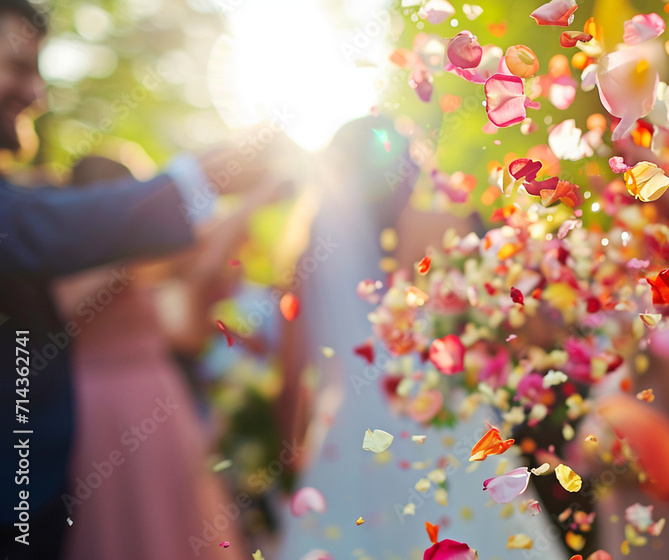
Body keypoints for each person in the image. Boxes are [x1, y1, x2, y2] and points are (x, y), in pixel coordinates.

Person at [0, 2, 280, 557]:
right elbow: (29, 226)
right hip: (91, 423)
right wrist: (198, 174)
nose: (37, 94)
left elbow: (197, 264)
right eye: (19, 67)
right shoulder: (49, 233)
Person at [273, 118, 562, 560]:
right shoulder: (443, 222)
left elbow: (293, 369)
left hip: (352, 437)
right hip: (445, 417)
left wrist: (287, 450)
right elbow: (511, 327)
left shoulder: (312, 252)